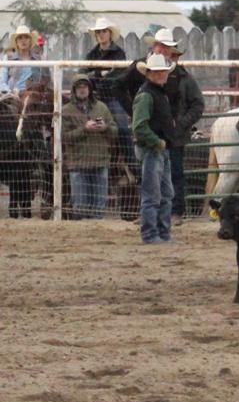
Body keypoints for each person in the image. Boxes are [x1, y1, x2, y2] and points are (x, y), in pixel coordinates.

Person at [131, 53, 176, 244]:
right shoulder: (148, 95)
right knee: (155, 194)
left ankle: (160, 234)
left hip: (158, 149)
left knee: (164, 194)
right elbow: (139, 127)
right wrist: (157, 141)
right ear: (149, 73)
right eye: (158, 72)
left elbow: (140, 125)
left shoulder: (152, 93)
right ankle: (152, 234)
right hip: (153, 149)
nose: (162, 75)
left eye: (163, 72)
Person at [62, 74, 117, 219]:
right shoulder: (66, 110)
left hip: (100, 162)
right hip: (78, 164)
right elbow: (64, 137)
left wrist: (104, 127)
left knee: (99, 207)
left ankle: (97, 238)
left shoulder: (102, 107)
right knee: (80, 206)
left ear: (90, 89)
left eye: (85, 86)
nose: (82, 90)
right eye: (79, 87)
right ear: (73, 90)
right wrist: (84, 128)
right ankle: (80, 239)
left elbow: (115, 132)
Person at [83, 18, 132, 163]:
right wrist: (100, 74)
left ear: (110, 33)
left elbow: (117, 76)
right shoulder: (91, 54)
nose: (101, 34)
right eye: (98, 32)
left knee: (122, 129)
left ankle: (132, 166)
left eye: (104, 31)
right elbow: (83, 74)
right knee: (80, 125)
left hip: (114, 97)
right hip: (95, 98)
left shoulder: (119, 53)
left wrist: (96, 77)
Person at [166, 43, 204, 226]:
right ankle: (156, 210)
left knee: (175, 173)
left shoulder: (185, 79)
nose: (171, 58)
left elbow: (198, 105)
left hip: (175, 135)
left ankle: (175, 211)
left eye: (173, 55)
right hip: (159, 132)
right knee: (153, 173)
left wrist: (181, 124)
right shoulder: (154, 75)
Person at [0, 25, 46, 93]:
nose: (23, 40)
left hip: (33, 96)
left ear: (30, 41)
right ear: (16, 42)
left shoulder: (39, 59)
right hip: (13, 97)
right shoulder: (8, 58)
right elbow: (1, 82)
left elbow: (45, 80)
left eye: (26, 37)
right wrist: (10, 93)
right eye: (20, 38)